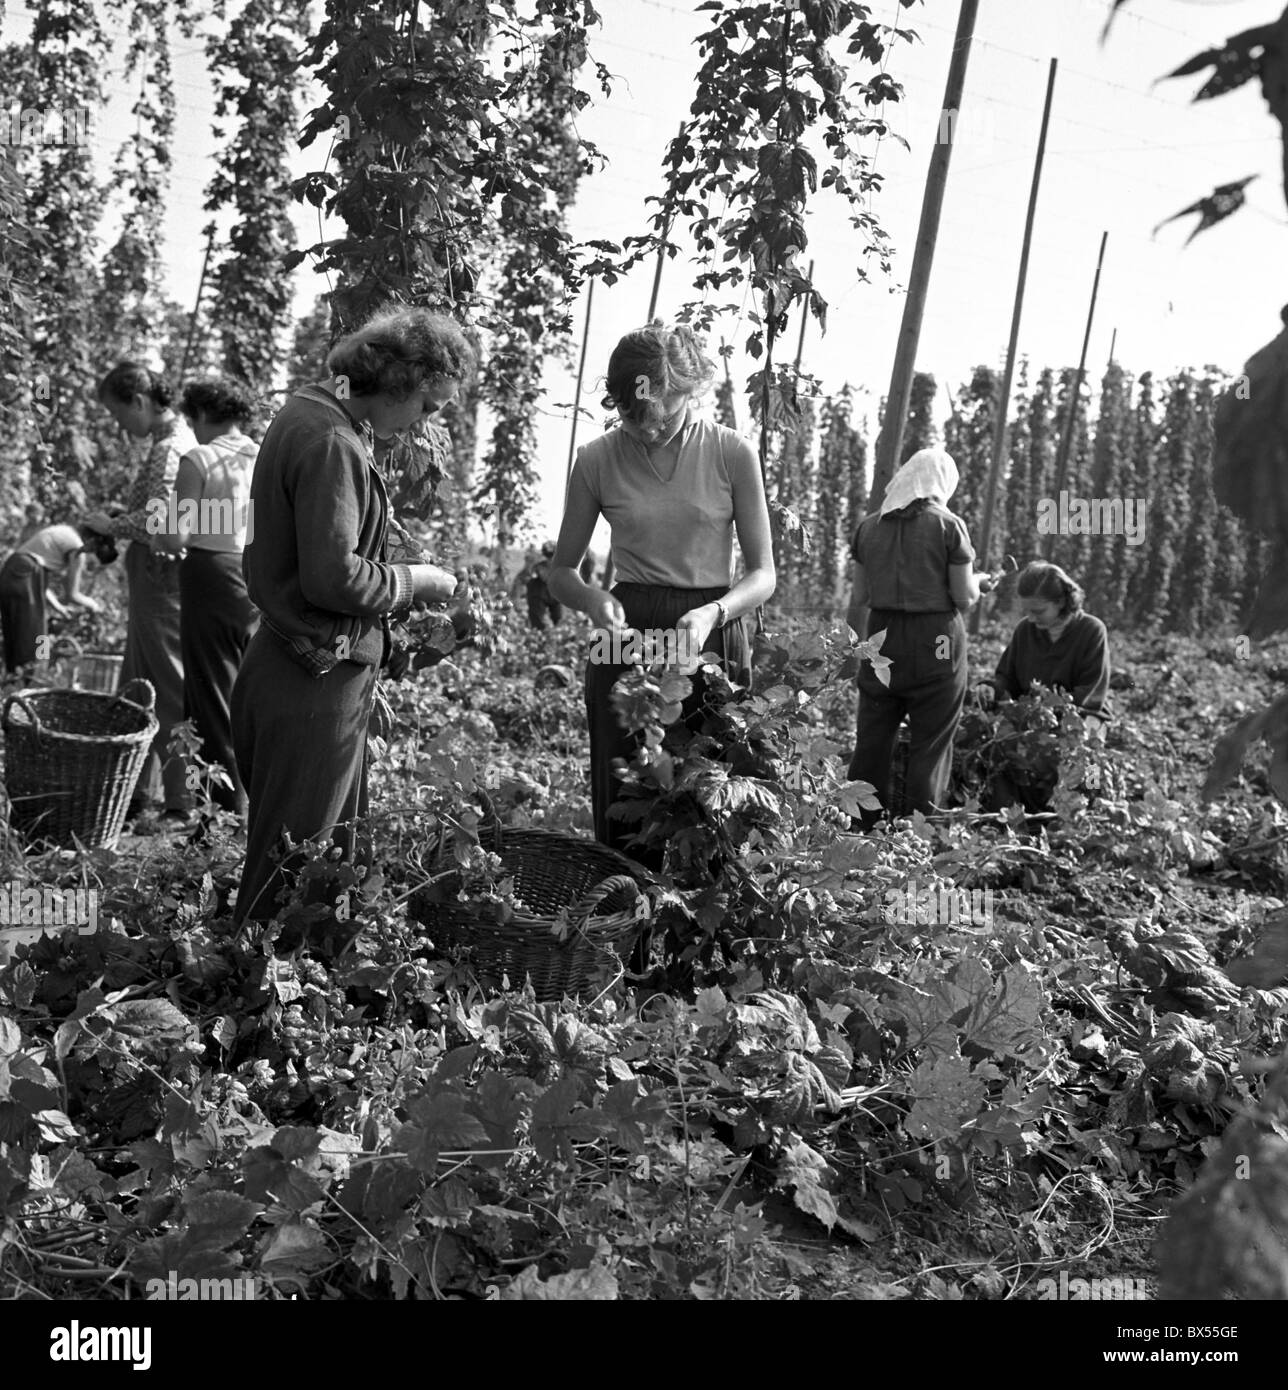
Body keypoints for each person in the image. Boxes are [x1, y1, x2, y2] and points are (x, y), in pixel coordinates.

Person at [230, 307, 471, 925]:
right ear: (398, 382)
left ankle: (277, 970)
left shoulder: (307, 415)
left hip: (289, 661)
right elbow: (332, 576)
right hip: (312, 679)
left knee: (312, 855)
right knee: (297, 867)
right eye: (427, 405)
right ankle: (264, 976)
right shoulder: (332, 442)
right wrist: (415, 583)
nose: (425, 421)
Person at [547, 322, 776, 860]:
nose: (649, 431)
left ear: (690, 391)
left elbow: (763, 574)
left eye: (664, 417)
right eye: (634, 418)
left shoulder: (731, 453)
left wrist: (713, 613)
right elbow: (561, 572)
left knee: (710, 796)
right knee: (627, 791)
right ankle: (625, 907)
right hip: (625, 636)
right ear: (618, 403)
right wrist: (594, 599)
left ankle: (702, 910)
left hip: (710, 633)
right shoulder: (597, 459)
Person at [846, 447, 996, 826]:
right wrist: (979, 582)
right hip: (937, 640)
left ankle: (861, 825)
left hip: (881, 638)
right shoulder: (948, 526)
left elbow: (860, 596)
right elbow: (963, 598)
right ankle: (920, 831)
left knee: (873, 738)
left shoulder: (868, 528)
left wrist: (853, 648)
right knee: (932, 740)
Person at [88, 363, 199, 823]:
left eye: (119, 414)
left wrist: (110, 525)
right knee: (137, 685)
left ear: (139, 401)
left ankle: (183, 801)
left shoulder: (171, 449)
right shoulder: (167, 443)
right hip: (151, 579)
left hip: (161, 578)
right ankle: (133, 793)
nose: (119, 425)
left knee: (168, 686)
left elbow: (164, 521)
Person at [151, 377, 259, 819]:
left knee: (210, 696)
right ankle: (255, 807)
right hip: (256, 577)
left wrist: (157, 532)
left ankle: (221, 819)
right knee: (250, 691)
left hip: (210, 575)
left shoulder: (200, 458)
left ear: (198, 415)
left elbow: (174, 535)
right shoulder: (262, 454)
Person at [986, 560, 1112, 812]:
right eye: (1027, 611)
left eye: (1039, 611)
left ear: (1062, 602)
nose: (1032, 618)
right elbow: (1006, 677)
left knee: (1089, 752)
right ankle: (1013, 816)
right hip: (1031, 716)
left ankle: (1090, 811)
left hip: (1082, 713)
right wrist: (990, 688)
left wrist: (1049, 715)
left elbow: (1089, 692)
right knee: (997, 751)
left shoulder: (1091, 630)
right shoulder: (1025, 630)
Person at [0, 521, 102, 672]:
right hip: (26, 575)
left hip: (11, 572)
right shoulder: (77, 547)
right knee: (39, 637)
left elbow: (40, 583)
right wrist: (94, 605)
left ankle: (13, 678)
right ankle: (35, 677)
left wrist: (59, 607)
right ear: (92, 541)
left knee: (15, 637)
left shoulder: (64, 533)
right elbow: (72, 594)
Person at [525, 542, 562, 629]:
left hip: (554, 593)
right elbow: (532, 575)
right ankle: (539, 633)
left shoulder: (560, 564)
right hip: (538, 593)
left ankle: (554, 632)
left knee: (558, 619)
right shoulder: (538, 562)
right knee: (538, 622)